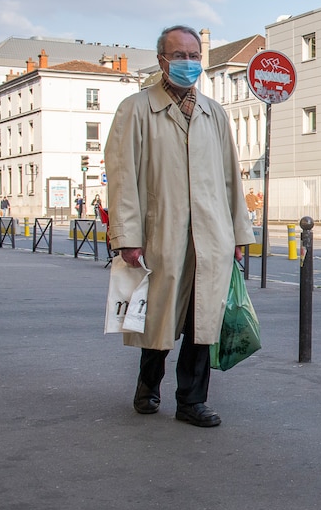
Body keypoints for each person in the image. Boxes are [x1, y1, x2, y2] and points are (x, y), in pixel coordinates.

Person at [105, 25, 254, 428]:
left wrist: (238, 235)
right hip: (162, 235)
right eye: (179, 55)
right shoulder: (135, 109)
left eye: (194, 56)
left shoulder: (214, 113)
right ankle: (148, 386)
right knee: (159, 318)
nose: (188, 62)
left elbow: (231, 178)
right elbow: (122, 177)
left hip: (211, 235)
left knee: (201, 321)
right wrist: (127, 237)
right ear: (161, 60)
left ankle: (192, 401)